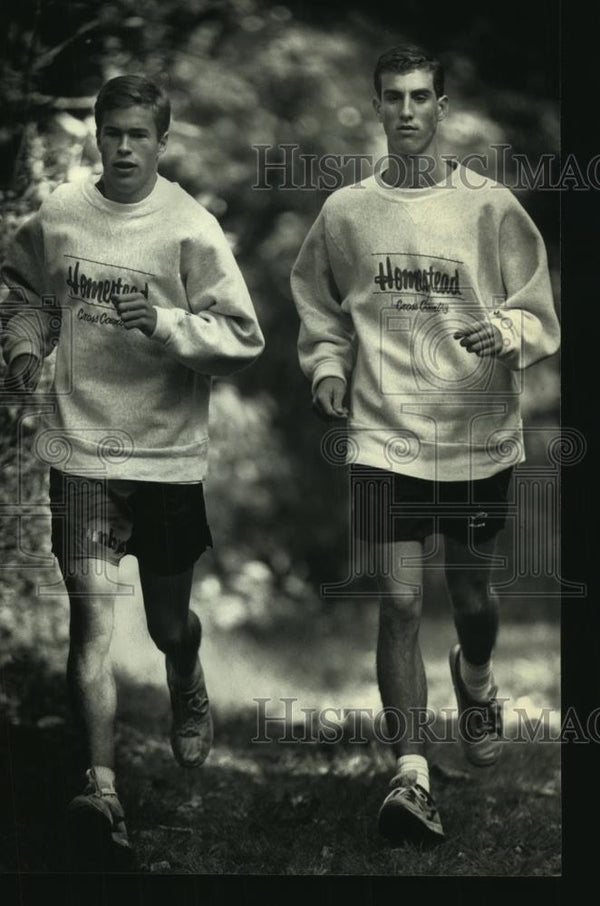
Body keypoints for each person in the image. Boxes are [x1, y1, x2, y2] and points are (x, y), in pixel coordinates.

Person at [290, 45, 560, 844]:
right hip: (382, 434)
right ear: (375, 107)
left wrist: (505, 329)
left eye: (420, 97)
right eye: (391, 98)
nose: (406, 111)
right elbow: (318, 304)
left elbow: (538, 308)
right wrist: (328, 369)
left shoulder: (490, 208)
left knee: (471, 603)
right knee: (402, 599)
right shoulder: (345, 213)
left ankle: (474, 679)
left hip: (475, 434)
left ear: (442, 107)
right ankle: (411, 773)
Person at [1, 75, 264, 864]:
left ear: (161, 140)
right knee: (92, 618)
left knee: (162, 624)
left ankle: (185, 670)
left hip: (164, 458)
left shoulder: (189, 227)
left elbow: (241, 337)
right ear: (95, 135)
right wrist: (23, 345)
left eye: (137, 136)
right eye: (110, 133)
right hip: (81, 448)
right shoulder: (62, 217)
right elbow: (24, 291)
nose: (121, 148)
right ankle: (102, 788)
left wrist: (170, 323)